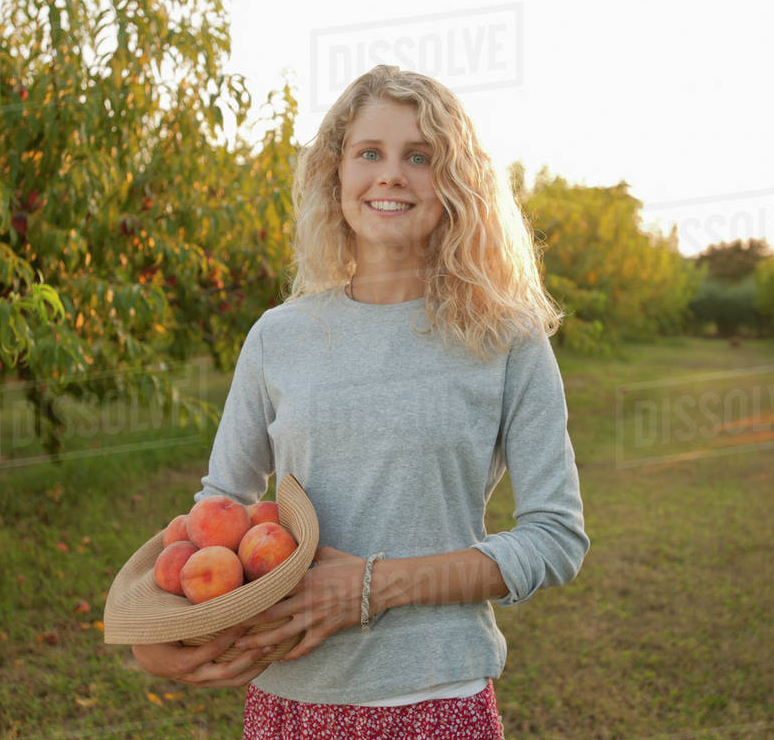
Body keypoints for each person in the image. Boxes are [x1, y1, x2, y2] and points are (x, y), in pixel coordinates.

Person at [132, 64, 589, 739]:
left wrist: (372, 587)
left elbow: (555, 539)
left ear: (456, 182)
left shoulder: (505, 338)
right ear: (335, 174)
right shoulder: (279, 335)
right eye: (369, 152)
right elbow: (220, 504)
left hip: (437, 700)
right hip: (290, 695)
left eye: (420, 157)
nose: (390, 174)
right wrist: (160, 625)